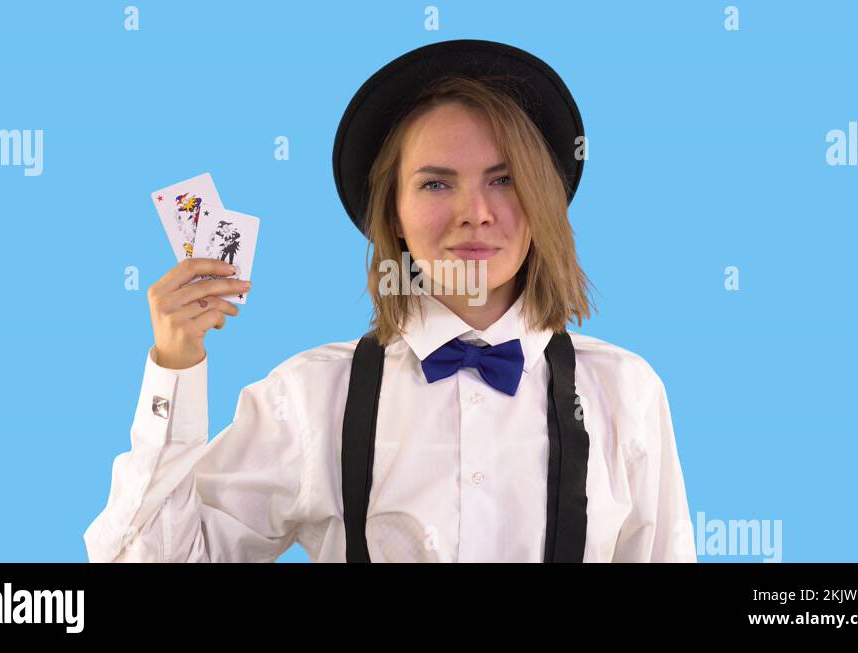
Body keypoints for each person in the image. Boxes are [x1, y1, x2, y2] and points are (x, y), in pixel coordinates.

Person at [83, 39, 697, 563]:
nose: (474, 214)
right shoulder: (310, 398)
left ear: (541, 201)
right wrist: (176, 365)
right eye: (436, 183)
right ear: (395, 215)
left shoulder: (627, 394)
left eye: (503, 179)